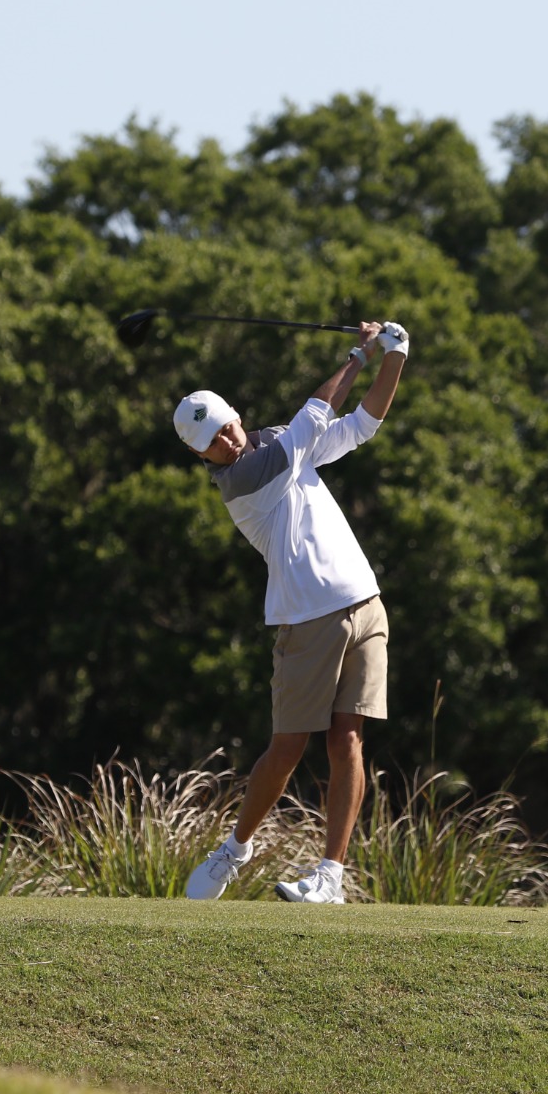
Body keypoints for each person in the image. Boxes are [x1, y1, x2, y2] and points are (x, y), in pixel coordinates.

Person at [174, 319, 409, 904]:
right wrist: (360, 353)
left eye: (225, 430)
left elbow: (358, 426)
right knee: (287, 746)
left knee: (347, 741)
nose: (224, 444)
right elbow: (314, 416)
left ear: (233, 416)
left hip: (363, 602)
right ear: (201, 454)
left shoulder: (280, 442)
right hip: (306, 619)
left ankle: (330, 877)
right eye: (210, 444)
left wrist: (395, 357)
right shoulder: (243, 478)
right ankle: (235, 849)